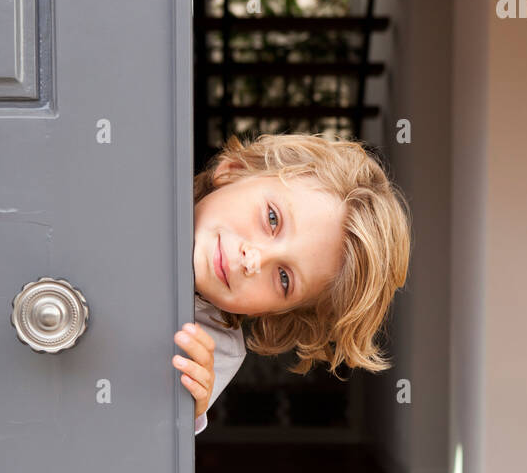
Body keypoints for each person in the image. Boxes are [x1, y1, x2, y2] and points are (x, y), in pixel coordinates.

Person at [172, 132, 413, 433]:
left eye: (284, 278)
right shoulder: (150, 170)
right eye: (272, 219)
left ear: (272, 312)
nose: (254, 261)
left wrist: (181, 410)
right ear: (233, 171)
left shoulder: (213, 349)